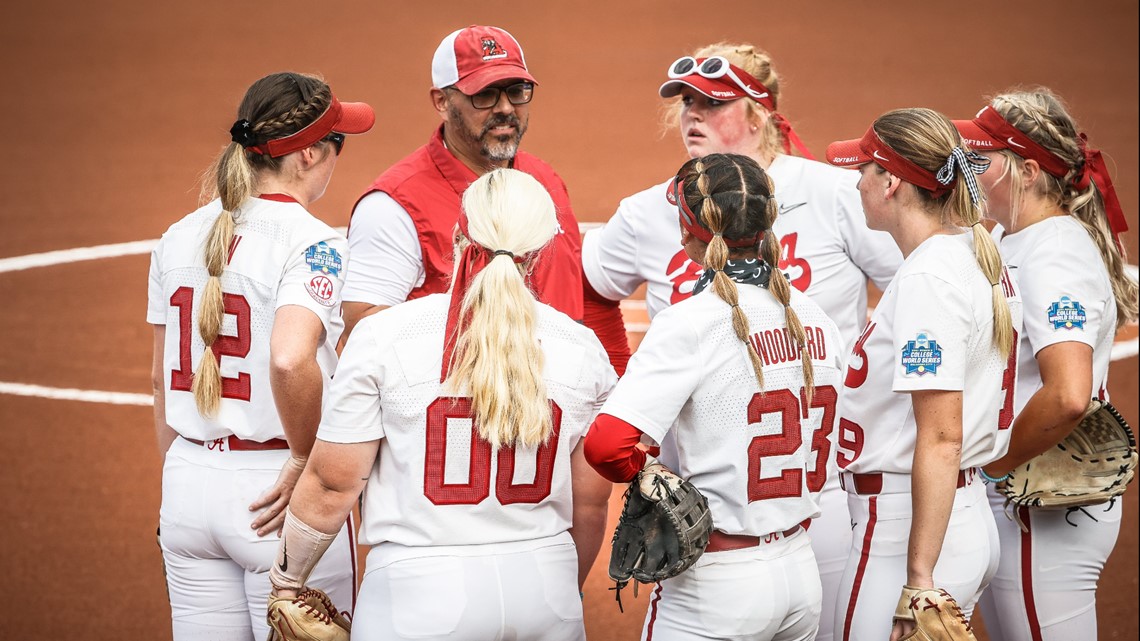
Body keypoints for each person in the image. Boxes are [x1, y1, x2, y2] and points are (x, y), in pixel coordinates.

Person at [579, 42, 903, 641]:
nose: (693, 115)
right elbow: (593, 287)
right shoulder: (810, 316)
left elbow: (913, 294)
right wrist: (630, 377)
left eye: (712, 102)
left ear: (759, 112)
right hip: (795, 528)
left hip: (756, 530)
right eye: (686, 103)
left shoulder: (833, 194)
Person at [268, 168, 616, 641]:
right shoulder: (583, 348)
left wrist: (286, 582)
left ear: (458, 234)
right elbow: (591, 505)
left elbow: (332, 484)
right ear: (540, 252)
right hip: (544, 582)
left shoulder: (384, 335)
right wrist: (559, 590)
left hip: (417, 594)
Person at [147, 72, 374, 639]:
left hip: (187, 484)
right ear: (310, 154)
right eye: (337, 145)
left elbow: (158, 382)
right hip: (275, 495)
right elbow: (290, 359)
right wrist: (303, 459)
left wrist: (185, 483)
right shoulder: (315, 243)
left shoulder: (177, 235)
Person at [585, 153, 847, 641]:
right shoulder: (816, 319)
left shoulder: (690, 323)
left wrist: (652, 478)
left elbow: (607, 445)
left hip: (717, 586)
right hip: (800, 573)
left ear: (689, 232)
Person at [824, 108, 1024, 641]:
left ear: (890, 182)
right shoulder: (972, 256)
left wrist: (919, 579)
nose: (857, 182)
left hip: (906, 528)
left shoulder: (928, 278)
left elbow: (940, 436)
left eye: (863, 169)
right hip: (960, 513)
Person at [955, 89, 1138, 641]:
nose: (968, 168)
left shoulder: (1055, 253)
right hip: (1020, 495)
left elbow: (1068, 394)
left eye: (980, 158)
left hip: (1038, 498)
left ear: (1027, 171)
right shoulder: (1010, 234)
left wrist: (993, 468)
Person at [339, 24, 583, 347]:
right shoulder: (393, 208)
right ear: (441, 101)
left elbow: (581, 307)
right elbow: (362, 339)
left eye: (517, 90)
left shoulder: (547, 182)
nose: (506, 108)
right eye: (484, 94)